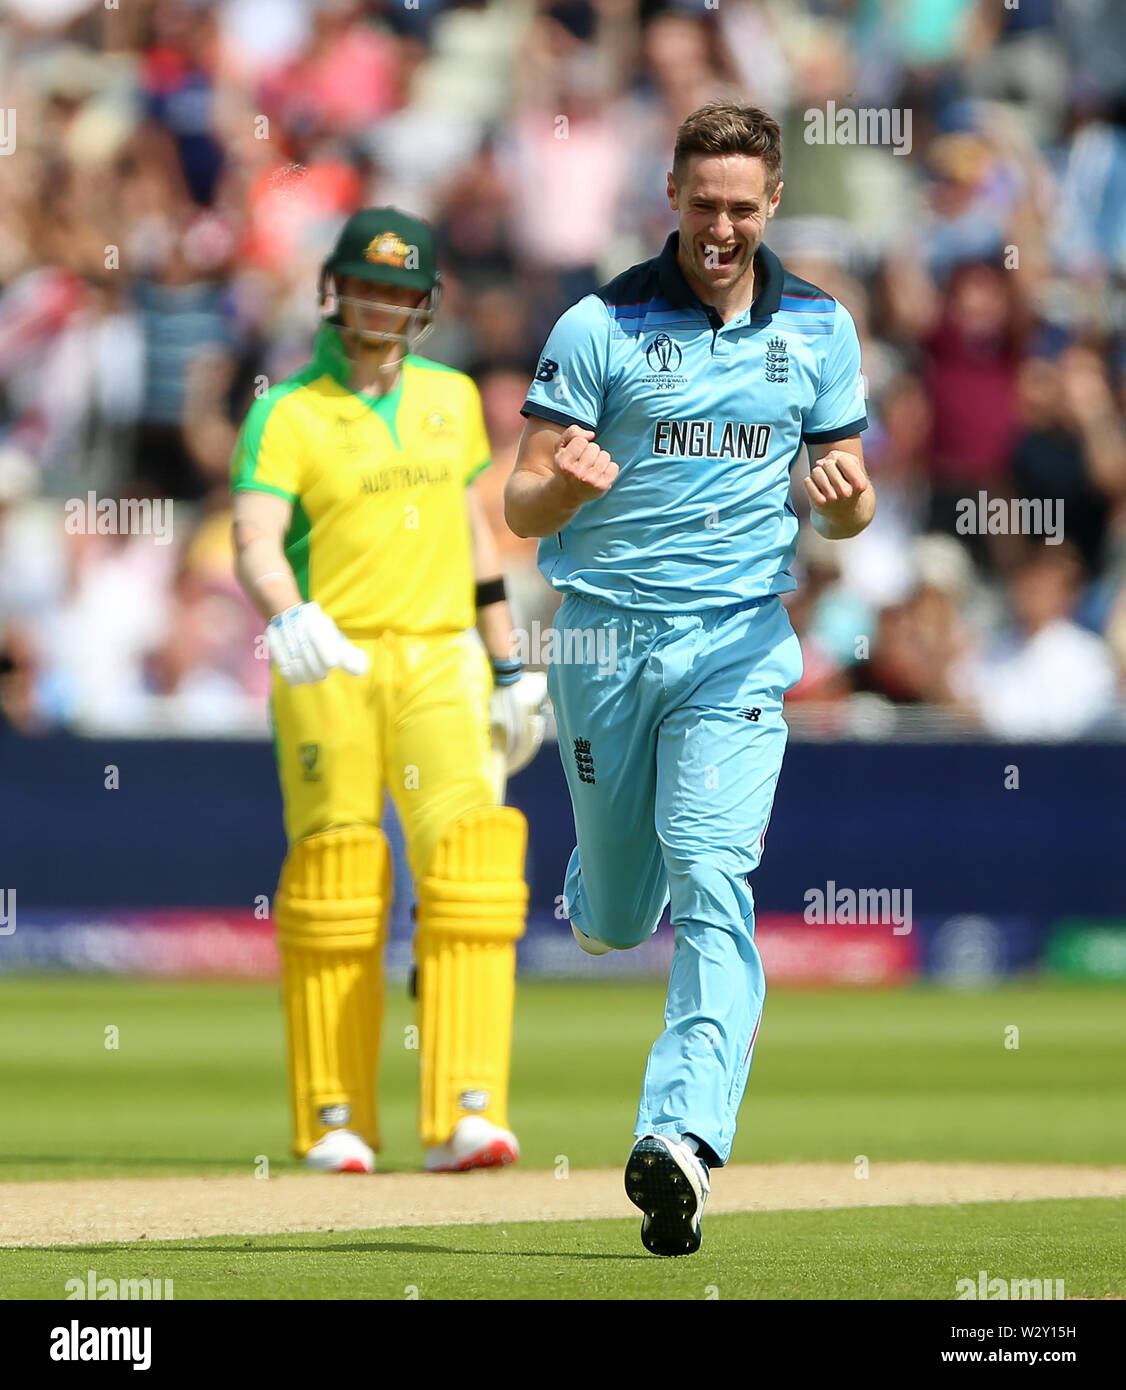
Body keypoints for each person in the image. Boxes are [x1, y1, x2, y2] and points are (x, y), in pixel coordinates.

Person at [505, 102, 875, 1254]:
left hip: (737, 641)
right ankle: (606, 879)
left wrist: (849, 504)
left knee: (712, 872)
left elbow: (847, 489)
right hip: (605, 641)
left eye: (743, 207)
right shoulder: (597, 324)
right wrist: (566, 485)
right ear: (670, 193)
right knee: (614, 914)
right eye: (704, 202)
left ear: (772, 206)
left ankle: (680, 1140)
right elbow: (520, 502)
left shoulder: (818, 328)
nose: (722, 226)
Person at [231, 208, 545, 1174]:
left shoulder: (450, 398)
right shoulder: (285, 410)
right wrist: (287, 613)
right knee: (337, 875)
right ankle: (335, 1118)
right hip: (332, 656)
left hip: (442, 656)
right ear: (335, 288)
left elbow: (474, 539)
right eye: (369, 285)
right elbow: (252, 538)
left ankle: (466, 1111)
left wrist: (508, 664)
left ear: (426, 304)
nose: (384, 305)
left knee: (472, 867)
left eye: (404, 291)